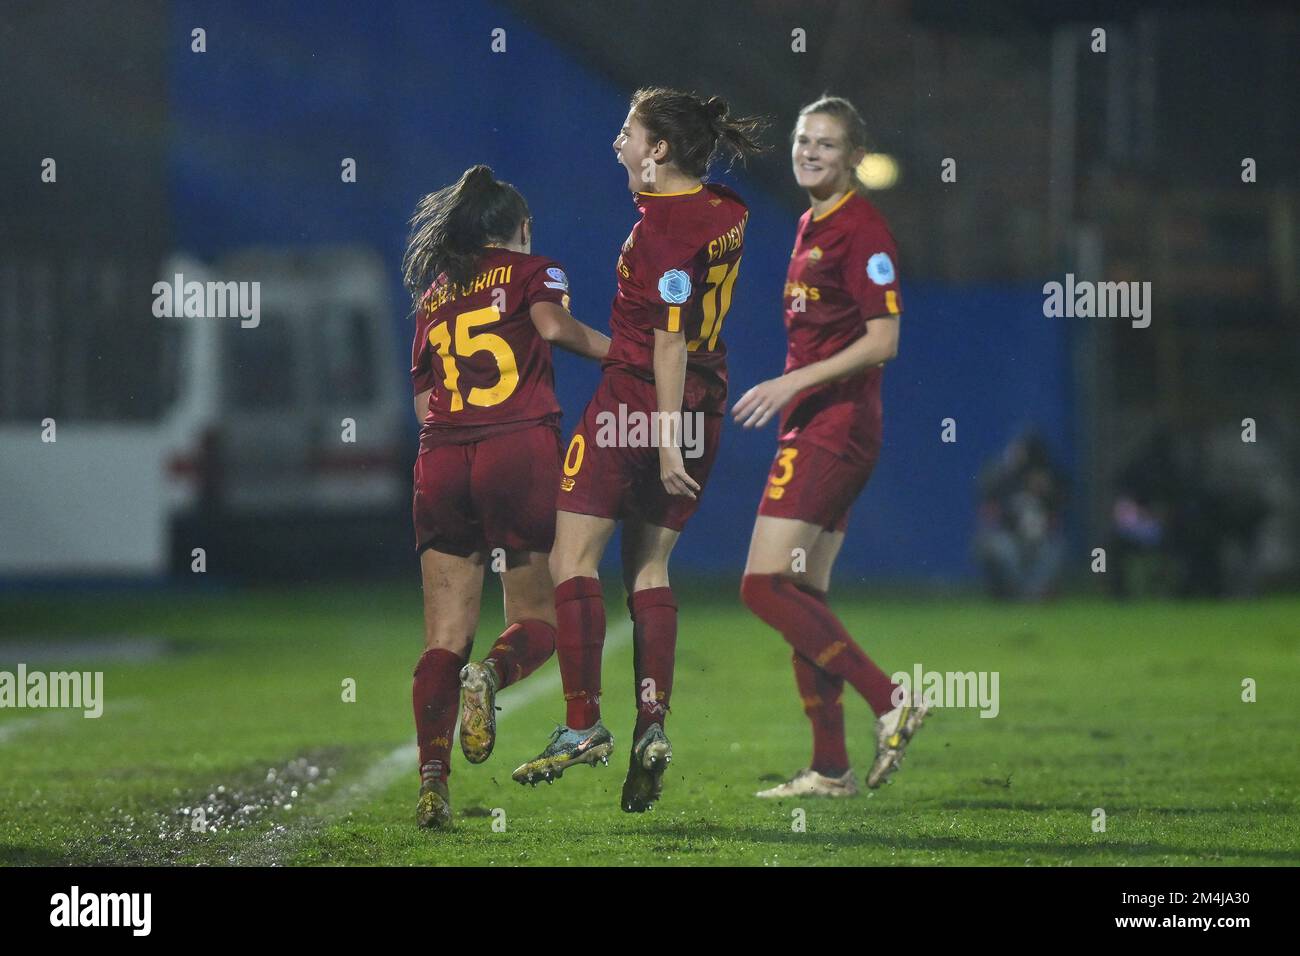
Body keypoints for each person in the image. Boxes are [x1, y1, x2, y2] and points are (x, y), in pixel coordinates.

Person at [511, 88, 764, 813]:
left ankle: (584, 725)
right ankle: (652, 722)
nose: (616, 141)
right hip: (703, 403)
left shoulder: (664, 237)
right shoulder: (728, 210)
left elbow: (668, 340)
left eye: (628, 131)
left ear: (658, 150)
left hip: (637, 402)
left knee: (571, 559)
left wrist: (661, 436)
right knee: (649, 566)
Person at [403, 165, 610, 829]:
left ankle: (434, 783)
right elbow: (552, 328)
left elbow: (422, 399)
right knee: (536, 619)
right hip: (518, 451)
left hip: (442, 458)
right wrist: (627, 356)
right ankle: (490, 675)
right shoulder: (534, 270)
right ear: (518, 230)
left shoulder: (437, 291)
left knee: (443, 638)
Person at [733, 95, 924, 798]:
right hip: (821, 421)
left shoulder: (862, 231)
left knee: (761, 586)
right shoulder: (814, 221)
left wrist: (791, 385)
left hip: (834, 426)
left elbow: (884, 339)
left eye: (827, 144)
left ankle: (891, 699)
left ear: (852, 158)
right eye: (803, 139)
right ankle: (831, 767)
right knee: (803, 596)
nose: (810, 151)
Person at [973, 429, 1069, 601]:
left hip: (1040, 539)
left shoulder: (1050, 479)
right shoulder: (1002, 478)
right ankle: (1021, 594)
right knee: (1001, 548)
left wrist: (1046, 493)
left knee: (1055, 549)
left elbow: (1058, 515)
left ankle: (1033, 595)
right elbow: (988, 510)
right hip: (1008, 536)